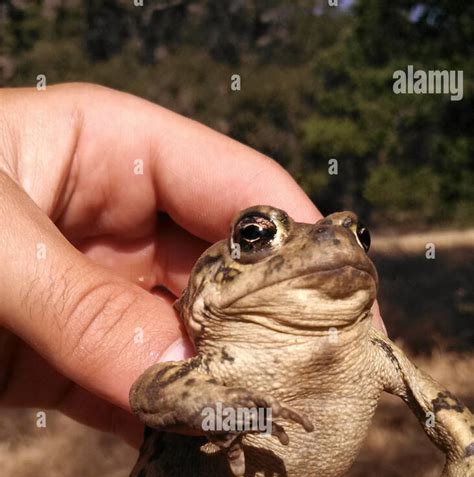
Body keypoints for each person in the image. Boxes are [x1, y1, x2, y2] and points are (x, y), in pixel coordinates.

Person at [0, 83, 384, 446]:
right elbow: (148, 392)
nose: (341, 246)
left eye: (359, 237)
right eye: (255, 234)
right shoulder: (189, 348)